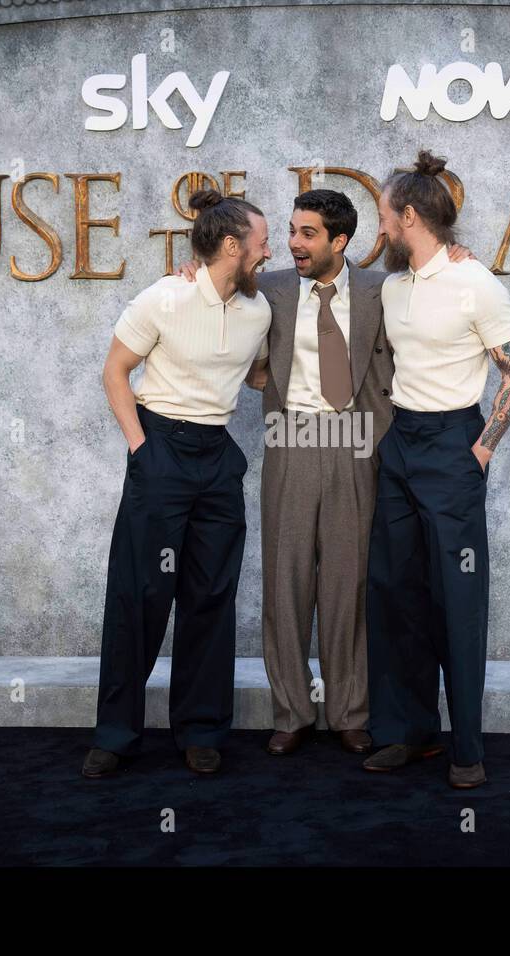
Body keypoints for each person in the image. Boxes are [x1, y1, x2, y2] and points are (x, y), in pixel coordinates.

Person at [176, 190, 473, 757]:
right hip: (290, 442)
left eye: (307, 233)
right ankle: (291, 712)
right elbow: (212, 290)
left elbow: (435, 283)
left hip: (358, 446)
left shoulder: (382, 291)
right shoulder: (269, 289)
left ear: (340, 241)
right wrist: (190, 267)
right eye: (290, 231)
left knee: (349, 585)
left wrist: (463, 256)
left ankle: (349, 713)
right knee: (286, 584)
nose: (293, 243)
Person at [83, 188, 272, 777]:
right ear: (232, 245)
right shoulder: (163, 297)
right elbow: (115, 371)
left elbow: (259, 374)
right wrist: (141, 449)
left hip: (217, 458)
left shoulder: (258, 310)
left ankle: (201, 730)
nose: (269, 253)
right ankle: (116, 734)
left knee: (210, 597)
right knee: (140, 597)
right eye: (262, 243)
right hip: (161, 448)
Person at [362, 150, 510, 789]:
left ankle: (466, 749)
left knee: (456, 598)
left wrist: (481, 449)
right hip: (399, 444)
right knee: (393, 593)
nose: (379, 228)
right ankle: (405, 734)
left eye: (384, 217)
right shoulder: (395, 284)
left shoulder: (477, 283)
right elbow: (331, 285)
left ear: (409, 215)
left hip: (454, 444)